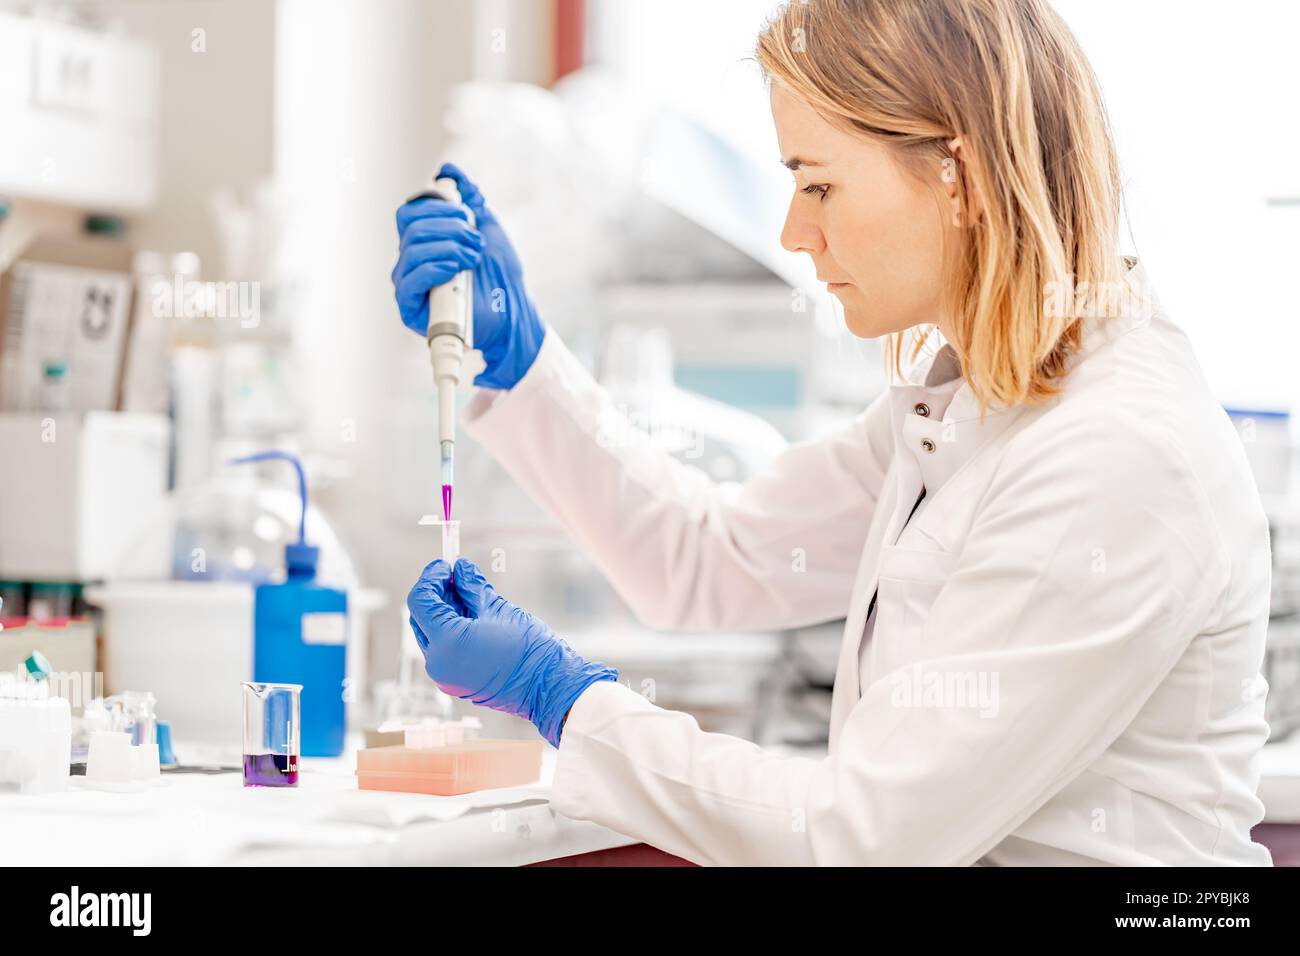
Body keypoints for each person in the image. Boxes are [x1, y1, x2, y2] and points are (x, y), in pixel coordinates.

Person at [390, 0, 1273, 865]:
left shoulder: (1115, 454)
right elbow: (708, 559)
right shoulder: (968, 406)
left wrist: (564, 696)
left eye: (819, 183)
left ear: (957, 173)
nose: (793, 232)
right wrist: (525, 363)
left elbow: (861, 838)